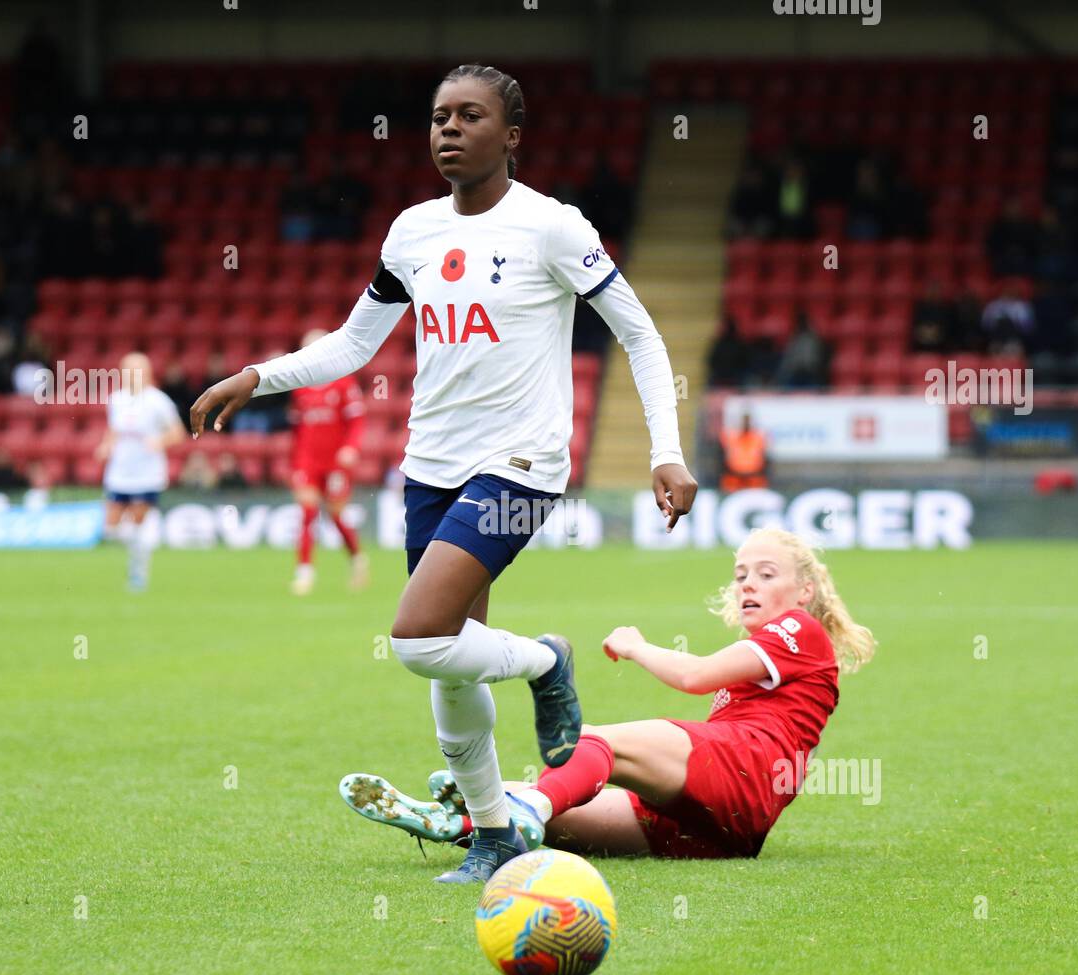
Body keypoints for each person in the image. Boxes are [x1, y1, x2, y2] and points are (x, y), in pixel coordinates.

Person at [190, 63, 697, 884]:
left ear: (513, 136)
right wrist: (259, 376)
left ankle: (544, 661)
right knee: (455, 652)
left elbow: (638, 333)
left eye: (469, 116)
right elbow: (356, 344)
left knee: (422, 636)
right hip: (429, 467)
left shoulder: (553, 227)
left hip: (522, 465)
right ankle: (495, 834)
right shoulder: (412, 232)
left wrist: (664, 449)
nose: (448, 130)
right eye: (437, 118)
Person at [343, 527, 874, 860]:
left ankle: (520, 800)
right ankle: (456, 820)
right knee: (561, 824)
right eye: (741, 575)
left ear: (805, 591)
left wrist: (637, 645)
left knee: (591, 743)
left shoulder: (801, 628)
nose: (747, 585)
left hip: (744, 769)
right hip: (730, 831)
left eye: (765, 573)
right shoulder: (780, 652)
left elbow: (695, 676)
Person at [285, 328, 369, 595]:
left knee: (335, 515)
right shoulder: (301, 389)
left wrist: (350, 447)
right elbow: (298, 430)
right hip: (307, 461)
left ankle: (357, 558)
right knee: (308, 514)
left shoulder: (343, 383)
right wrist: (295, 461)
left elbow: (356, 420)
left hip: (334, 463)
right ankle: (304, 573)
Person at [94, 352, 186, 592]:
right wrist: (106, 446)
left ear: (146, 373)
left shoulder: (159, 401)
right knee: (111, 530)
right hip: (119, 472)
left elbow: (177, 433)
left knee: (137, 523)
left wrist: (159, 441)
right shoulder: (116, 399)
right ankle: (144, 548)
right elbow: (114, 430)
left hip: (147, 473)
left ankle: (138, 573)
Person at [719, 411, 769, 492]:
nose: (746, 423)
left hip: (754, 478)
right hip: (734, 477)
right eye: (744, 420)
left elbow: (763, 458)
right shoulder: (731, 437)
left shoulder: (758, 438)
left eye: (748, 420)